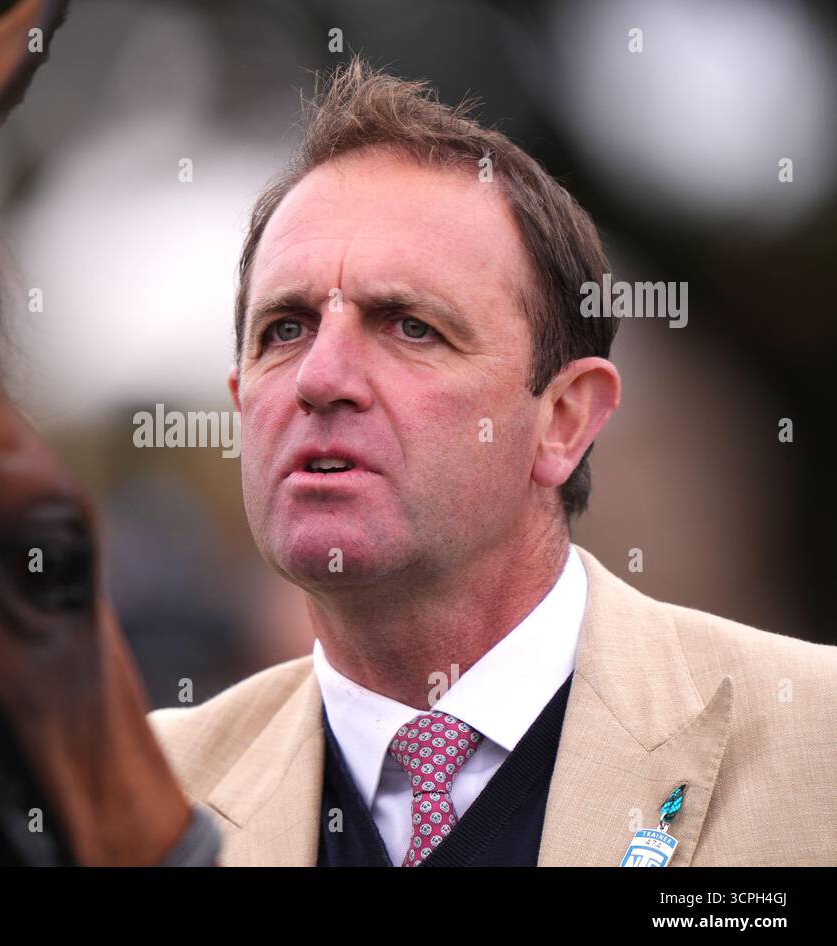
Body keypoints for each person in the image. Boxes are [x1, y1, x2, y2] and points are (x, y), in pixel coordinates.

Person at [146, 57, 837, 867]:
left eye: (410, 326)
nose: (320, 378)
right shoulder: (134, 798)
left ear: (565, 419)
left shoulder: (813, 744)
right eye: (285, 329)